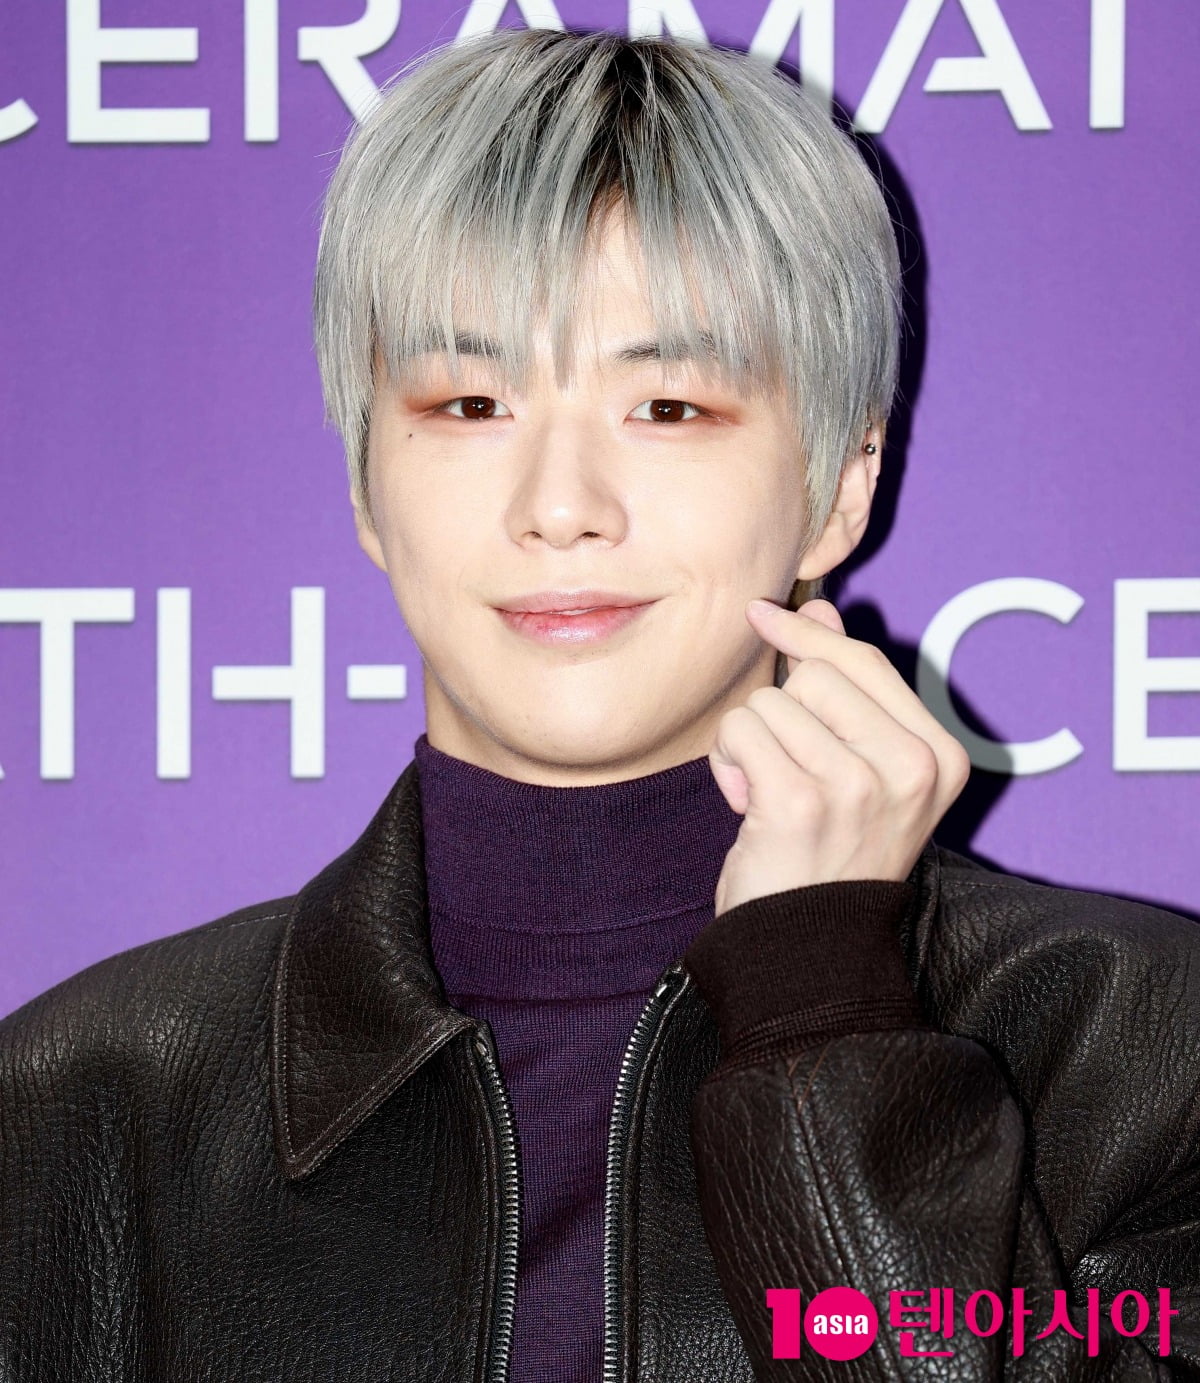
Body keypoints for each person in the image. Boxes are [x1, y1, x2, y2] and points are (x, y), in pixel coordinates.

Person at [1, 26, 1198, 1383]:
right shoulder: (78, 1109)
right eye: (470, 403)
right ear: (365, 483)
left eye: (669, 406)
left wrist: (821, 1015)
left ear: (839, 486)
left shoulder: (1137, 1054)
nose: (560, 505)